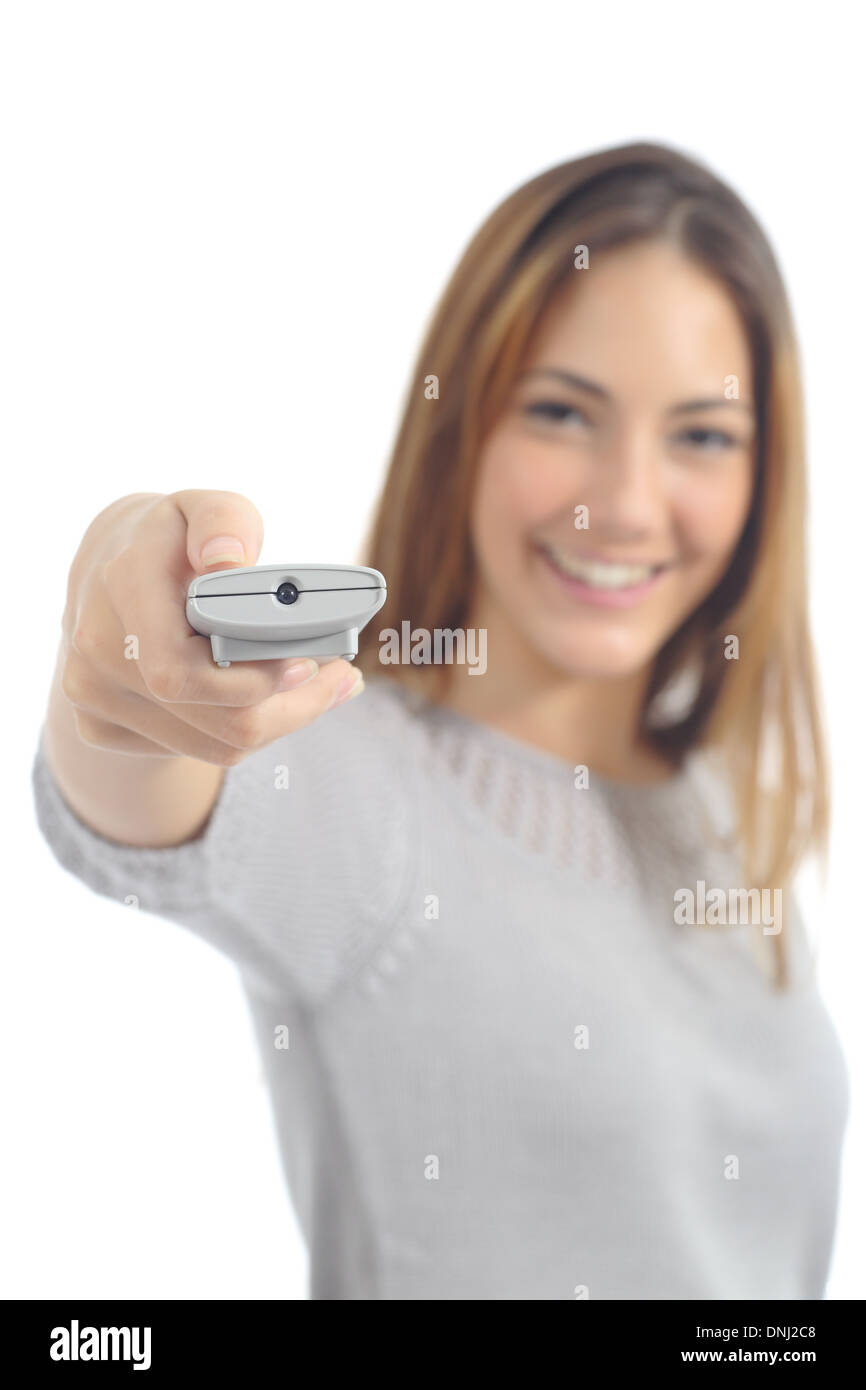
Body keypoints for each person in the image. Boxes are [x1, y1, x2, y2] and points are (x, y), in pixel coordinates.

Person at [32, 141, 848, 1300]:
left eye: (701, 434)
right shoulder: (347, 773)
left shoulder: (714, 802)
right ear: (462, 421)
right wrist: (117, 600)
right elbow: (132, 780)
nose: (620, 502)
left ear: (765, 472)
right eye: (562, 411)